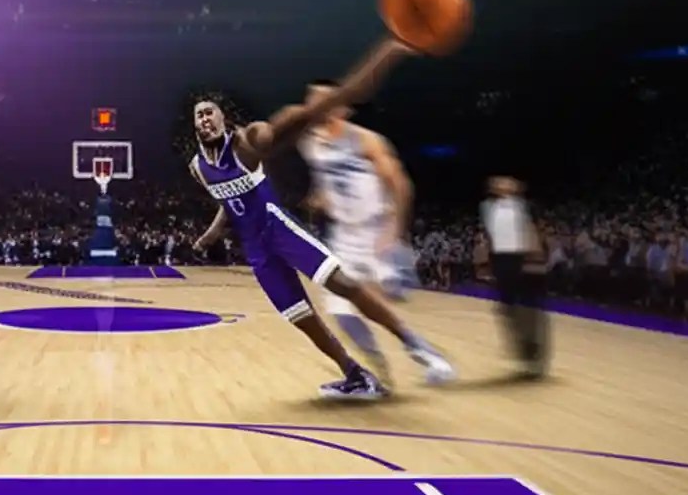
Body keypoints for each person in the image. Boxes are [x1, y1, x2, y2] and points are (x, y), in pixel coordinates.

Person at [189, 38, 454, 400]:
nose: (205, 118)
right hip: (257, 251)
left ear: (224, 119)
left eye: (210, 112)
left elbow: (339, 96)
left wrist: (388, 54)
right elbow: (228, 198)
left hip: (279, 230)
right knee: (303, 319)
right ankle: (356, 375)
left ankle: (417, 345)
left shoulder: (249, 141)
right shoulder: (198, 168)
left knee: (344, 284)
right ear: (194, 126)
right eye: (199, 115)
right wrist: (212, 232)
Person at [298, 82, 427, 383]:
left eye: (320, 99)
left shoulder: (366, 141)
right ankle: (378, 364)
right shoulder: (311, 144)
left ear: (341, 108)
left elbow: (401, 184)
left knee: (391, 290)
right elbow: (323, 179)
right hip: (346, 236)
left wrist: (396, 230)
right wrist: (320, 197)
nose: (312, 104)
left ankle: (417, 343)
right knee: (340, 309)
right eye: (310, 99)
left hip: (378, 227)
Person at [480, 176, 549, 378]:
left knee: (530, 310)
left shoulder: (526, 207)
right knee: (506, 309)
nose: (501, 184)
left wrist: (534, 257)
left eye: (506, 182)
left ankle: (534, 355)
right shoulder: (487, 207)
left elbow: (535, 231)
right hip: (502, 261)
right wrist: (488, 264)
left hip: (523, 259)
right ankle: (523, 349)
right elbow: (490, 235)